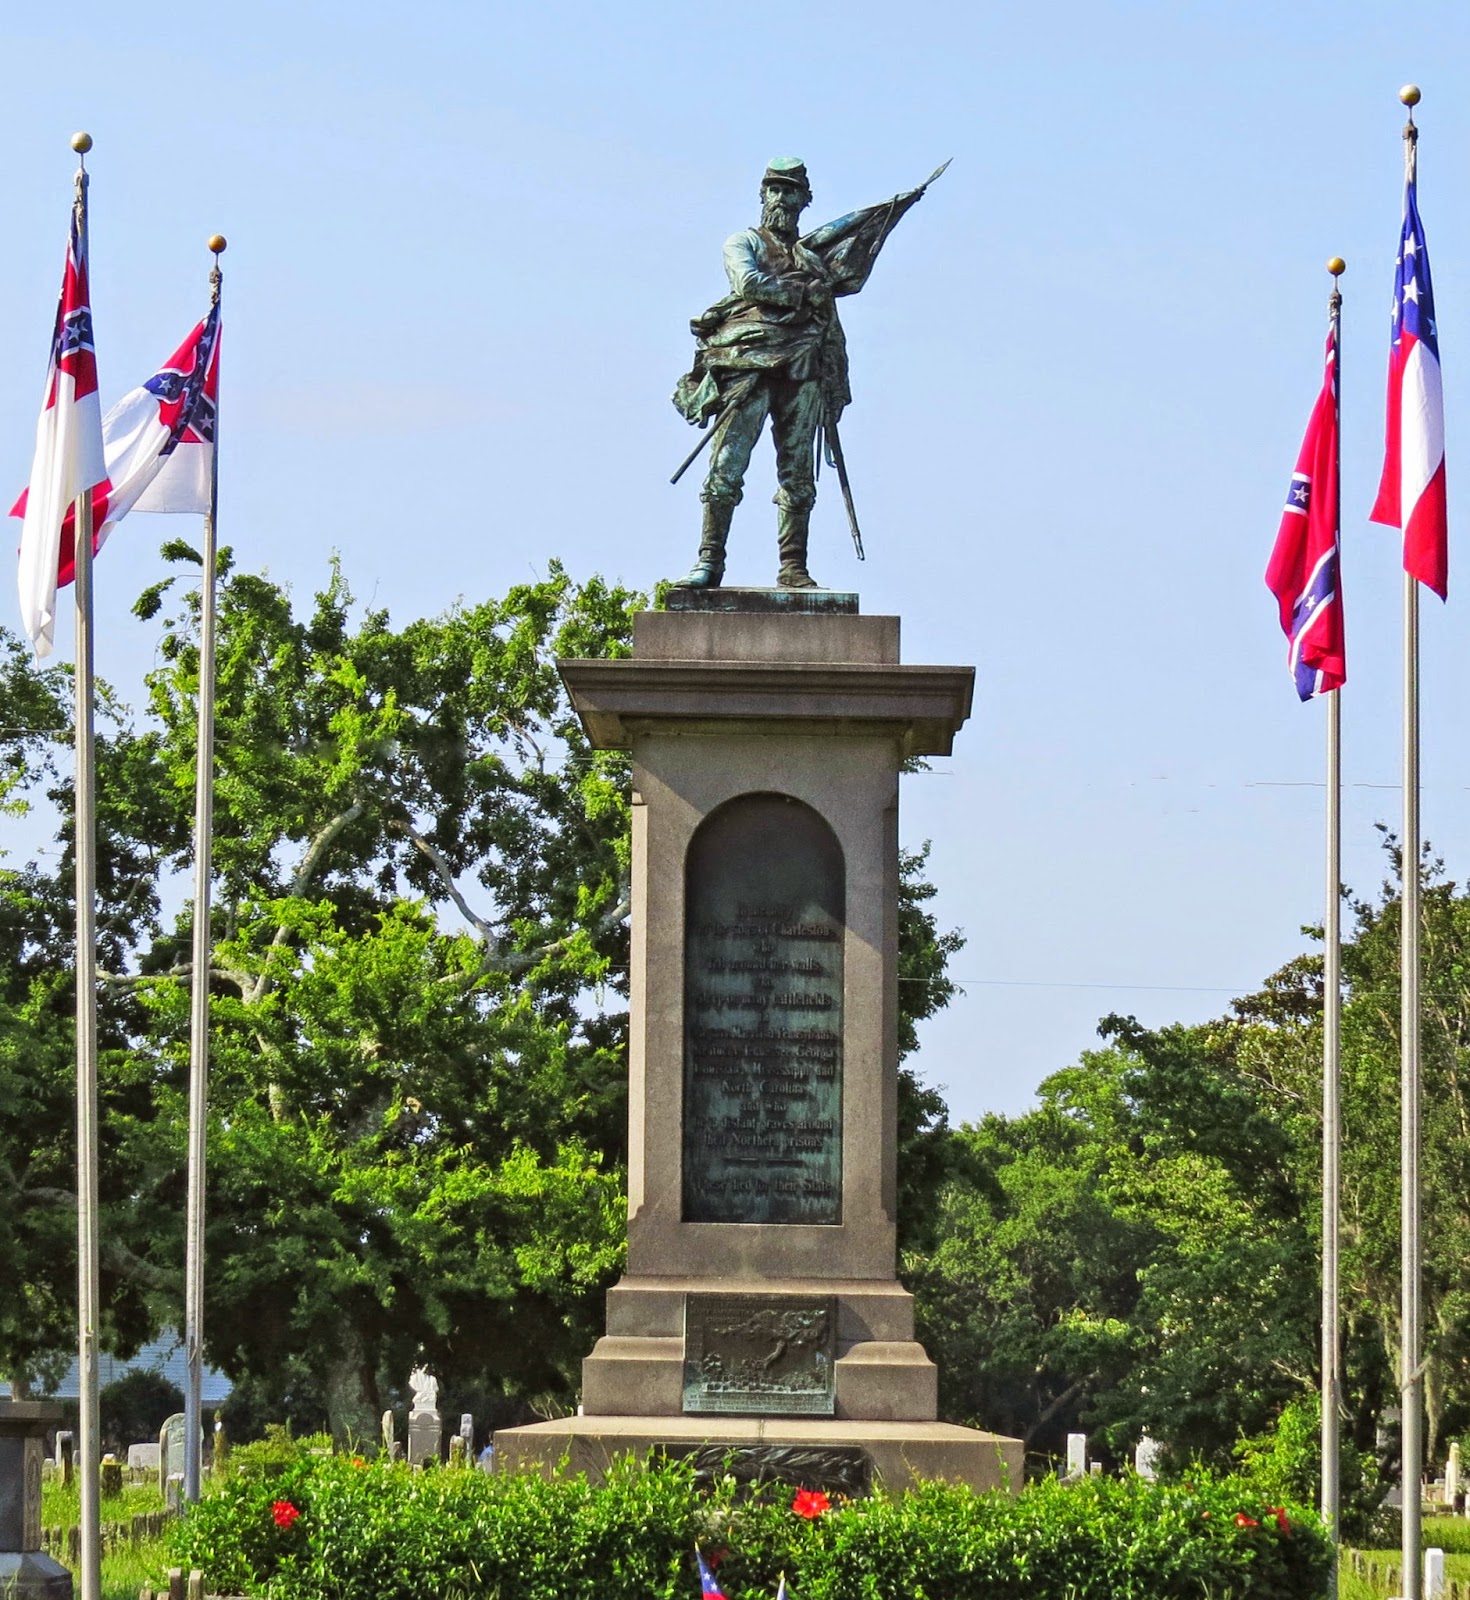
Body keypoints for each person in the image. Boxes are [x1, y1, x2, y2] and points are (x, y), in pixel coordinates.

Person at [672, 157, 931, 589]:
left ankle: (793, 567)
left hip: (803, 366)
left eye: (790, 191)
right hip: (746, 363)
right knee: (726, 467)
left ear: (804, 199)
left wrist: (834, 377)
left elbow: (830, 325)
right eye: (774, 189)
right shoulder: (744, 242)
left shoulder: (815, 258)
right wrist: (802, 291)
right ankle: (709, 561)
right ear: (762, 194)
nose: (782, 198)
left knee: (797, 474)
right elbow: (748, 283)